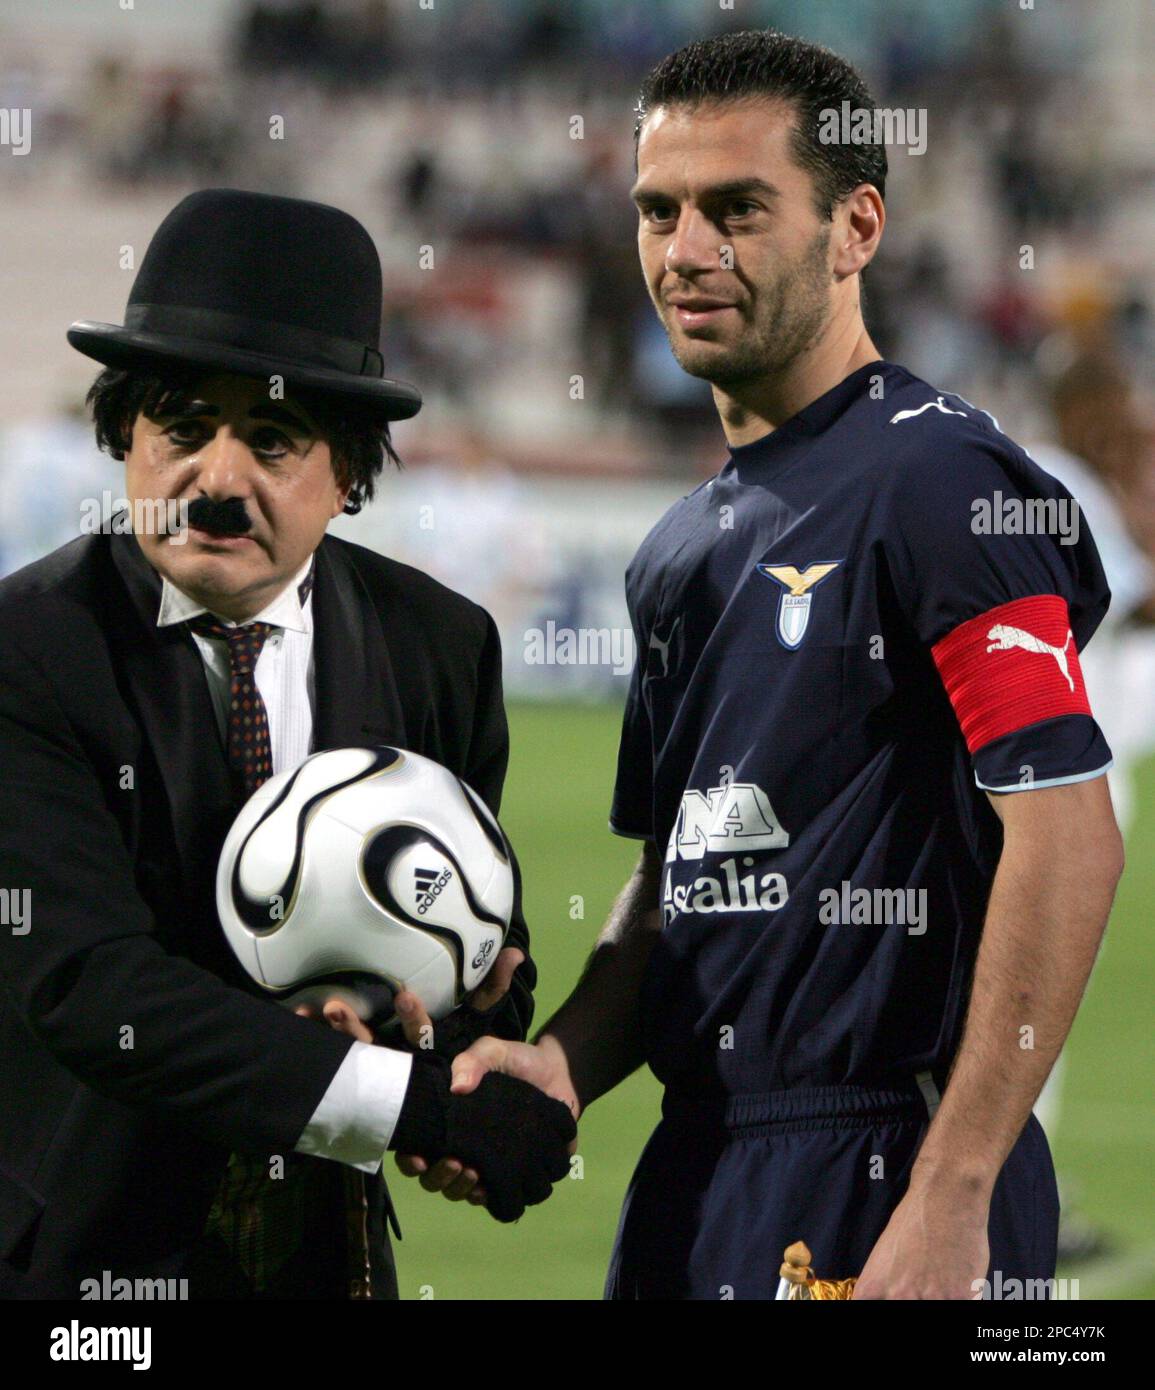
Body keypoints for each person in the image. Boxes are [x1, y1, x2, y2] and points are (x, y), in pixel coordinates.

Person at [406, 30, 1125, 1300]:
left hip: (888, 1162)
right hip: (701, 1173)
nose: (687, 250)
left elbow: (1066, 834)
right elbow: (673, 883)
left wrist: (956, 1189)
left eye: (738, 208)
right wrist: (564, 1061)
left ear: (857, 227)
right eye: (659, 210)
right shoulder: (680, 548)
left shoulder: (941, 482)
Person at [0, 188, 574, 1301]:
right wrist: (415, 1104)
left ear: (350, 473)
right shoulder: (27, 653)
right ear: (124, 431)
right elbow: (90, 987)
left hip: (329, 1264)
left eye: (270, 438)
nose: (216, 480)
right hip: (79, 1272)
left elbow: (472, 935)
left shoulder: (441, 648)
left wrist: (459, 1029)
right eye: (179, 424)